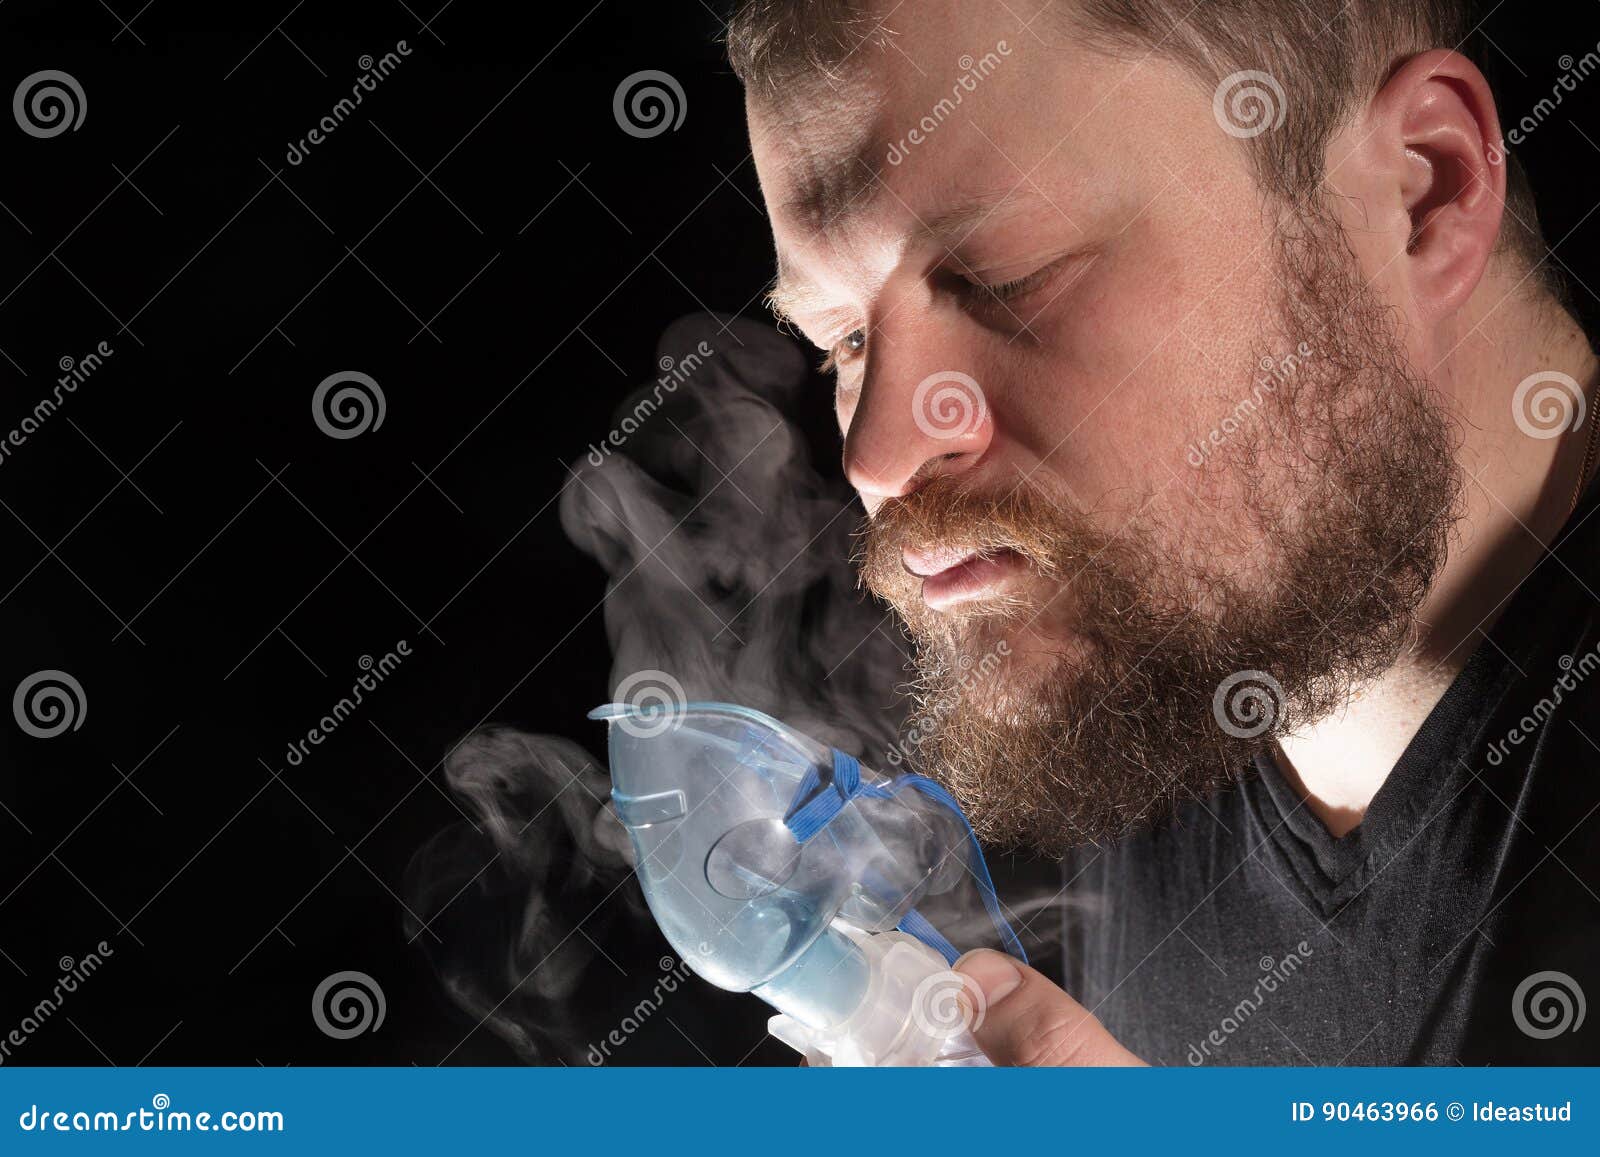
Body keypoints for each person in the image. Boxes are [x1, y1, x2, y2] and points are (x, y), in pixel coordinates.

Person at [730, 0, 1600, 1064]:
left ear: (1425, 192)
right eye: (846, 338)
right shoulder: (1164, 667)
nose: (876, 451)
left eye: (1003, 277)